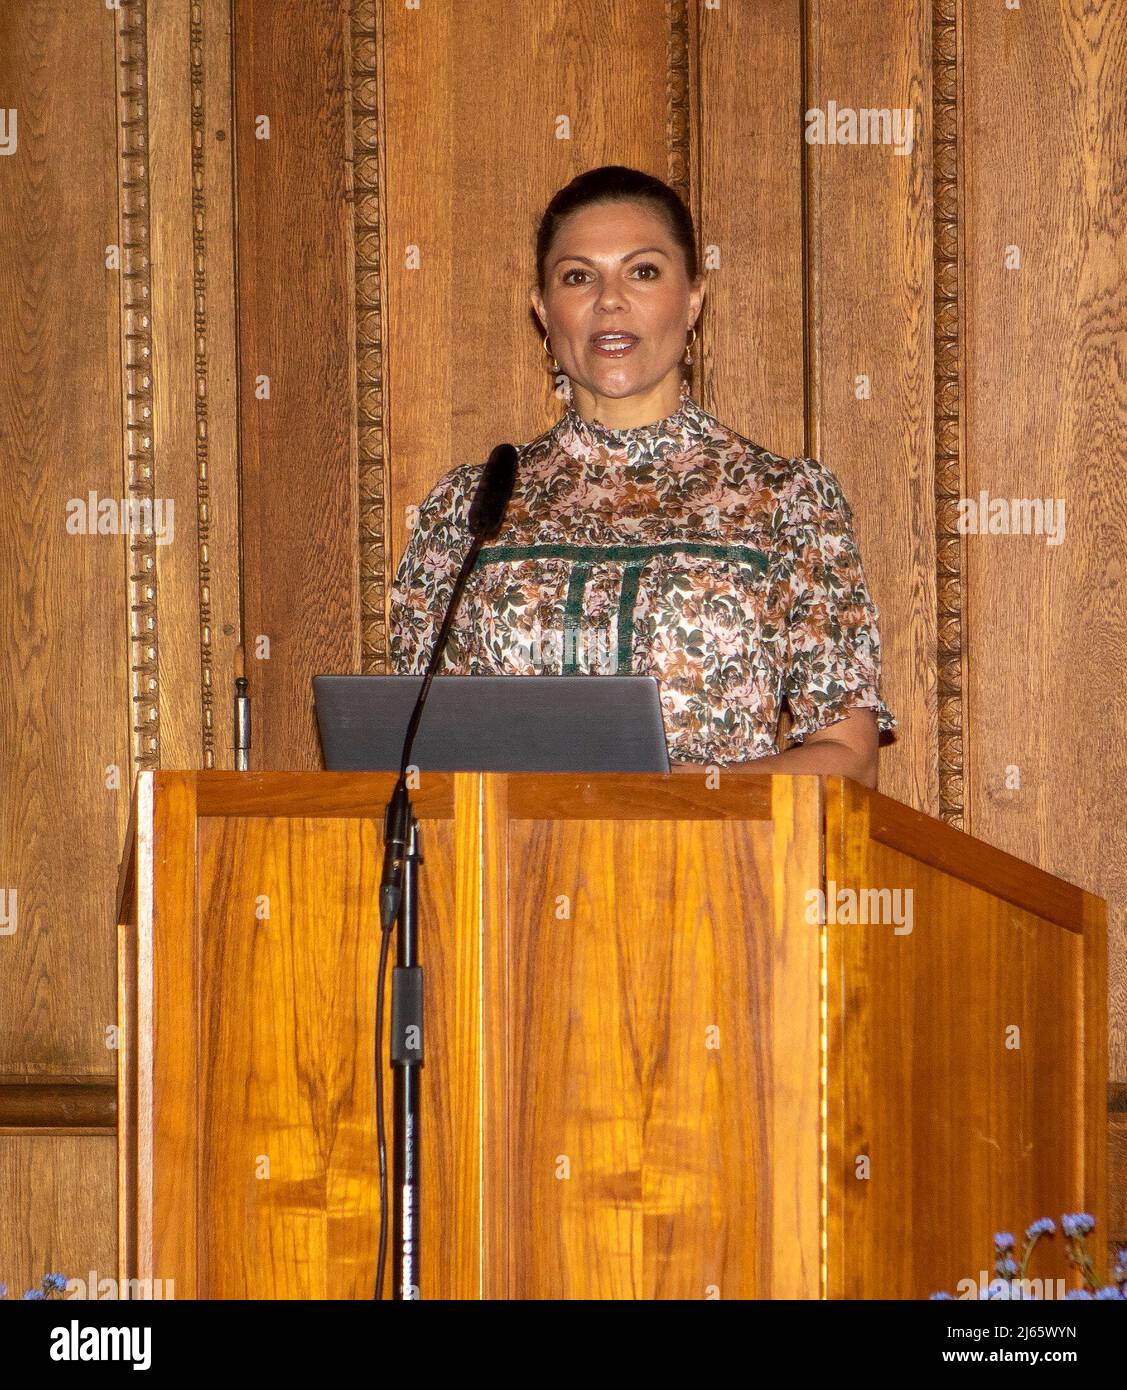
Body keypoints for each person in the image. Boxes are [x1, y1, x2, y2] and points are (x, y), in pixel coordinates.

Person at [389, 165, 896, 788]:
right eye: (579, 276)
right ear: (543, 311)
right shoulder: (470, 507)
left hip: (722, 870)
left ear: (693, 301)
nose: (610, 299)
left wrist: (673, 799)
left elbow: (849, 756)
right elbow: (408, 753)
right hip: (506, 875)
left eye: (643, 271)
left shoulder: (785, 500)